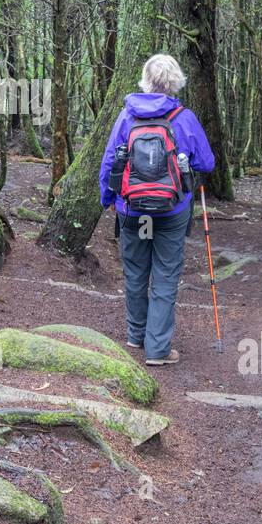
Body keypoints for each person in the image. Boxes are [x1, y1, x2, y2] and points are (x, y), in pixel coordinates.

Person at [99, 54, 215, 366]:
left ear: (146, 80)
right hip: (171, 210)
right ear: (175, 82)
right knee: (164, 275)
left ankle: (136, 335)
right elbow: (207, 162)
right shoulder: (184, 118)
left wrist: (108, 199)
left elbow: (110, 161)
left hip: (133, 209)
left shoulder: (127, 117)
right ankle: (158, 349)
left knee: (136, 270)